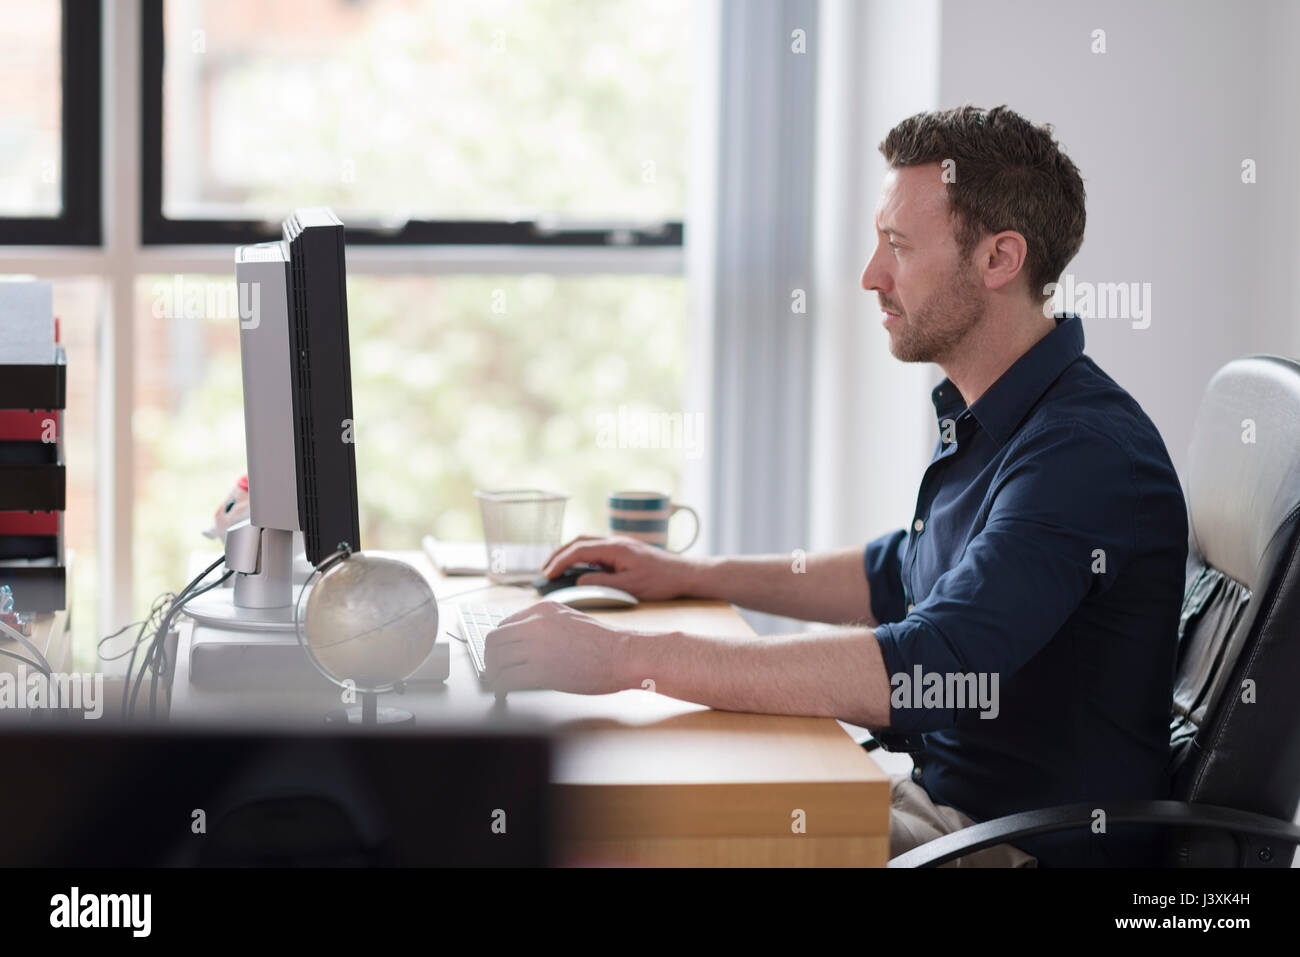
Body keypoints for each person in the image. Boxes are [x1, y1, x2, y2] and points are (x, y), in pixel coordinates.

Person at [482, 105, 1188, 867]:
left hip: (1010, 846)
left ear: (999, 259)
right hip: (946, 805)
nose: (871, 275)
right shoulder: (1005, 415)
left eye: (898, 246)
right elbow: (896, 574)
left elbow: (933, 668)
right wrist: (686, 574)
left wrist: (623, 656)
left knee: (632, 838)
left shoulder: (1084, 455)